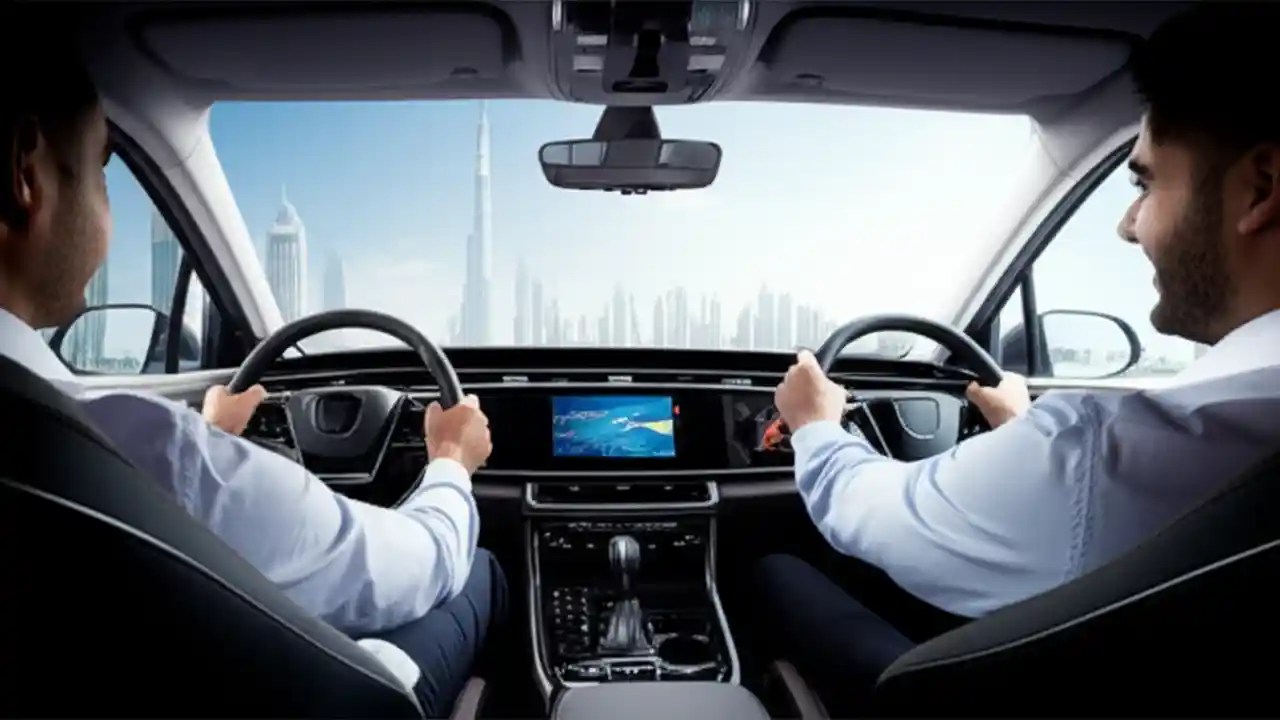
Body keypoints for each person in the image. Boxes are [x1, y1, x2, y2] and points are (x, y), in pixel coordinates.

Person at [756, 3, 1280, 716]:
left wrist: (815, 427)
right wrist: (1026, 437)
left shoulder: (1094, 454)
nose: (1128, 227)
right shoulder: (1183, 439)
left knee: (774, 569)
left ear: (1260, 188)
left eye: (1144, 184)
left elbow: (875, 512)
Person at [0, 13, 503, 718]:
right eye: (102, 174)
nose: (106, 208)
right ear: (26, 172)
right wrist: (450, 463)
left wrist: (211, 442)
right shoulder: (154, 452)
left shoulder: (127, 448)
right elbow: (418, 562)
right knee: (477, 567)